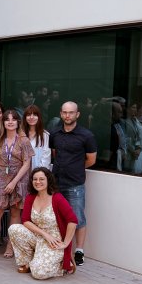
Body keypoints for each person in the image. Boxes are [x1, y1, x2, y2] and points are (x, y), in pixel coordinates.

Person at [49, 101, 98, 266]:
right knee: (57, 218)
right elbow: (54, 154)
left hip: (75, 184)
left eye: (71, 113)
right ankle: (61, 248)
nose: (67, 115)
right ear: (61, 114)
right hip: (56, 183)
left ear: (77, 114)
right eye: (64, 112)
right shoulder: (55, 133)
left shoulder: (86, 135)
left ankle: (79, 251)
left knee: (77, 218)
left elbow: (91, 160)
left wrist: (75, 167)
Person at [8, 168, 78, 278]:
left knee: (38, 273)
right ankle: (29, 262)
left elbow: (72, 221)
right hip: (38, 236)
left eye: (41, 179)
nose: (37, 182)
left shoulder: (57, 198)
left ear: (48, 180)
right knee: (14, 228)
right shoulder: (30, 197)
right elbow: (25, 220)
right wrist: (44, 234)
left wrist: (65, 243)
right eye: (35, 179)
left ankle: (63, 264)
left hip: (54, 242)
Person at [0, 110, 34, 259]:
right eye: (7, 119)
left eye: (14, 119)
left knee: (15, 212)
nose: (10, 122)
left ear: (18, 122)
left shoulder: (24, 141)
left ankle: (10, 245)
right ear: (3, 122)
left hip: (19, 180)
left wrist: (14, 182)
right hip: (1, 178)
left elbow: (27, 164)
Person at [22, 105, 51, 170]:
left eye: (35, 115)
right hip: (21, 174)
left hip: (37, 174)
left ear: (39, 117)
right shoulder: (20, 134)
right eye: (29, 115)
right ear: (25, 118)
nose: (31, 117)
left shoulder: (45, 135)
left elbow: (46, 158)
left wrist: (39, 174)